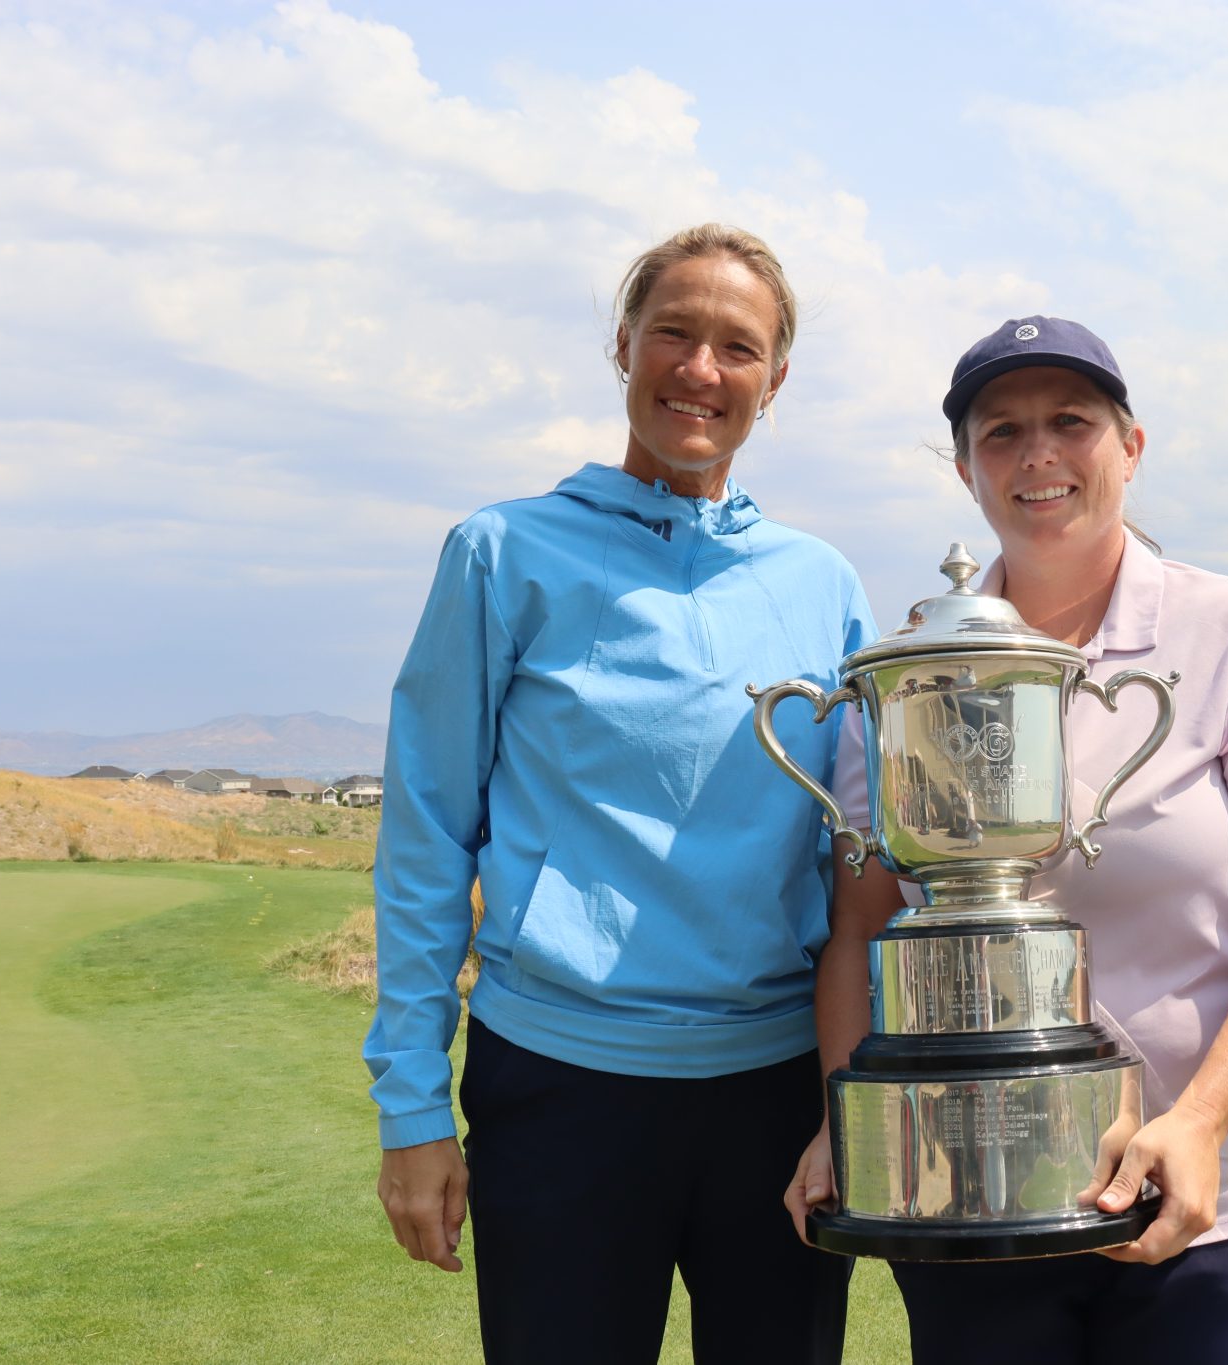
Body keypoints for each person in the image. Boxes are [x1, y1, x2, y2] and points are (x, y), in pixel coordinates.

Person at [788, 316, 1228, 1364]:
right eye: (1001, 432)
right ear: (966, 469)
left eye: (1071, 422)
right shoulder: (907, 678)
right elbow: (857, 935)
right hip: (979, 1202)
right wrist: (847, 1123)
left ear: (1129, 448)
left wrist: (1198, 1122)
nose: (1038, 454)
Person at [367, 223, 873, 1365]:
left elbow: (859, 868)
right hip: (558, 1090)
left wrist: (861, 1103)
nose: (700, 369)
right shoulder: (502, 554)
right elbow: (426, 840)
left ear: (774, 382)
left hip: (776, 1097)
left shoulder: (823, 585)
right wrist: (410, 1110)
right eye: (673, 335)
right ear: (623, 346)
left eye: (736, 348)